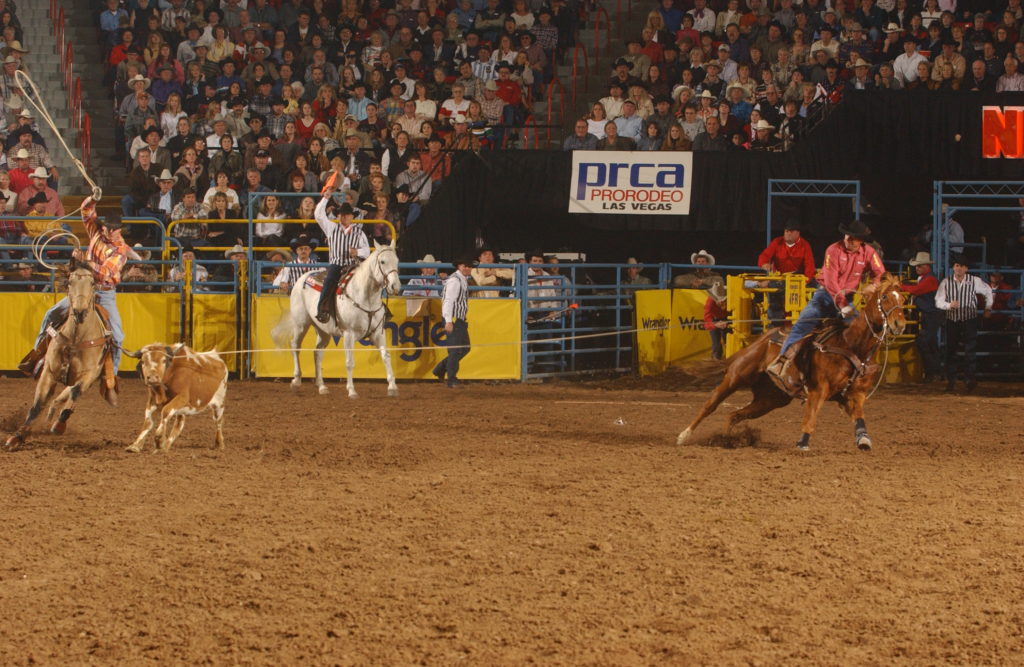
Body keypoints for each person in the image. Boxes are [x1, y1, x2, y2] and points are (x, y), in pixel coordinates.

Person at [766, 220, 885, 392]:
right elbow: (830, 282)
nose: (850, 240)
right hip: (825, 297)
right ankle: (781, 363)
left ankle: (859, 368)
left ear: (861, 241)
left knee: (860, 331)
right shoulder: (833, 250)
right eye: (848, 236)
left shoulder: (869, 253)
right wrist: (843, 305)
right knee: (801, 326)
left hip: (848, 297)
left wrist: (874, 284)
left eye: (854, 238)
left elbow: (880, 273)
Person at [19, 194, 128, 380]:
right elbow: (86, 211)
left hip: (103, 293)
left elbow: (106, 272)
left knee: (117, 336)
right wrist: (93, 198)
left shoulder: (120, 249)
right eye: (108, 228)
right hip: (82, 289)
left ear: (119, 230)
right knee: (51, 315)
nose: (110, 233)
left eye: (114, 230)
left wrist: (84, 259)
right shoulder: (96, 233)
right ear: (104, 227)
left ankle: (112, 375)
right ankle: (37, 357)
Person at [314, 172, 370, 323]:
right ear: (338, 216)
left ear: (352, 217)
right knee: (329, 280)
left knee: (371, 280)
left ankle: (377, 308)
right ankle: (322, 308)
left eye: (347, 215)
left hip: (354, 265)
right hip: (337, 265)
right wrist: (325, 198)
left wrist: (357, 252)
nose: (345, 217)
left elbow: (367, 251)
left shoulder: (359, 232)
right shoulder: (332, 228)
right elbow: (318, 215)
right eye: (342, 215)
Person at [936, 255, 993, 394]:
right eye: (957, 266)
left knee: (969, 350)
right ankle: (952, 381)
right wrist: (949, 305)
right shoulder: (946, 282)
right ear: (953, 267)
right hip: (953, 319)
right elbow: (938, 301)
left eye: (961, 266)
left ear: (966, 268)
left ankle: (969, 379)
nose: (959, 268)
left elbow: (988, 291)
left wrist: (988, 308)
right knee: (951, 350)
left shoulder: (974, 281)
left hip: (969, 319)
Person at [757, 219, 816, 321]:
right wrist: (764, 264)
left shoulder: (805, 245)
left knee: (819, 289)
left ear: (798, 233)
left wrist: (804, 281)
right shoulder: (777, 242)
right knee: (774, 288)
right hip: (780, 278)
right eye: (786, 231)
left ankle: (812, 321)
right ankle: (775, 323)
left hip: (799, 278)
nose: (788, 233)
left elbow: (809, 266)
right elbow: (765, 255)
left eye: (791, 231)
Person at [901, 251, 943, 383]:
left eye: (919, 266)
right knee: (930, 343)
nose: (917, 268)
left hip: (932, 314)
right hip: (930, 314)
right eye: (917, 266)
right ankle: (934, 373)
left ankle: (933, 372)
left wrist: (900, 285)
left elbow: (915, 290)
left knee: (926, 342)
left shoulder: (930, 280)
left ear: (926, 266)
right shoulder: (927, 279)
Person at [432, 255, 473, 387]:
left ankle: (440, 369)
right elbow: (448, 301)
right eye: (465, 266)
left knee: (464, 348)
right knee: (455, 350)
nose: (468, 268)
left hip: (458, 319)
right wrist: (449, 321)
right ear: (459, 266)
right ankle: (451, 379)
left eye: (469, 266)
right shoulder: (455, 281)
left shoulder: (461, 279)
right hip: (454, 319)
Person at [703, 283, 731, 360]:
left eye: (723, 299)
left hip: (728, 319)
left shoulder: (730, 298)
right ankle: (715, 361)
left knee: (730, 342)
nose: (721, 302)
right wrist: (715, 325)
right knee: (716, 346)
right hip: (715, 321)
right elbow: (706, 322)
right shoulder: (709, 304)